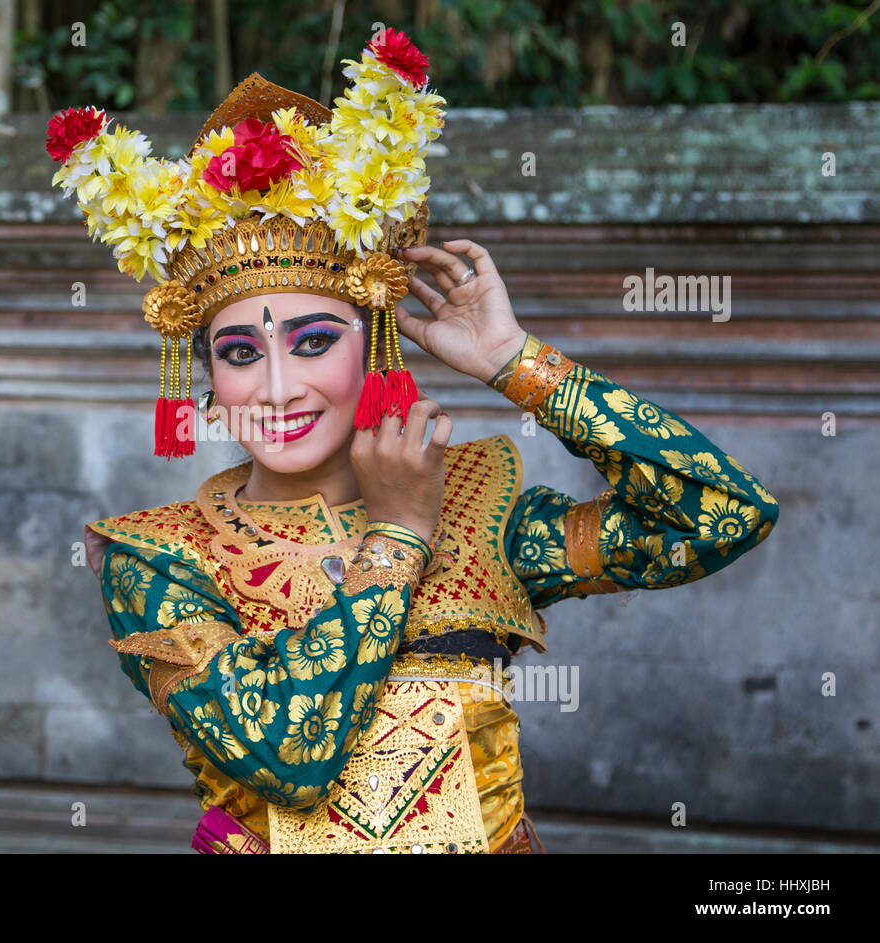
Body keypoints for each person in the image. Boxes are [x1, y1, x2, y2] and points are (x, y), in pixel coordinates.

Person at [47, 30, 777, 854]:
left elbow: (723, 516)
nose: (279, 387)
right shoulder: (162, 556)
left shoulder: (478, 510)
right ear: (208, 378)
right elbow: (291, 757)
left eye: (315, 341)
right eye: (242, 353)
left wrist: (516, 363)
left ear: (377, 343)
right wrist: (397, 534)